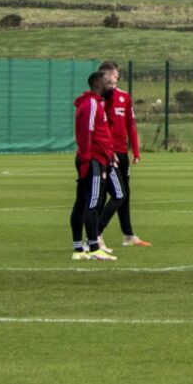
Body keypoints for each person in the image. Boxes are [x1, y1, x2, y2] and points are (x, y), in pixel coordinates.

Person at [69, 70, 121, 260]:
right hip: (93, 160)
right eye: (108, 83)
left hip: (95, 158)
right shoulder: (91, 104)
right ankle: (93, 248)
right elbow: (86, 133)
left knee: (82, 203)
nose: (111, 87)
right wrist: (88, 160)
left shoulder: (95, 103)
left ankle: (78, 250)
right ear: (99, 83)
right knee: (92, 202)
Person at [97, 61, 149, 248]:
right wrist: (109, 150)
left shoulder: (124, 97)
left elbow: (130, 124)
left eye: (116, 75)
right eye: (113, 75)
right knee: (111, 195)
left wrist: (135, 149)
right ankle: (97, 233)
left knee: (124, 194)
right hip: (108, 154)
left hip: (122, 153)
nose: (115, 78)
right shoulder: (102, 99)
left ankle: (128, 235)